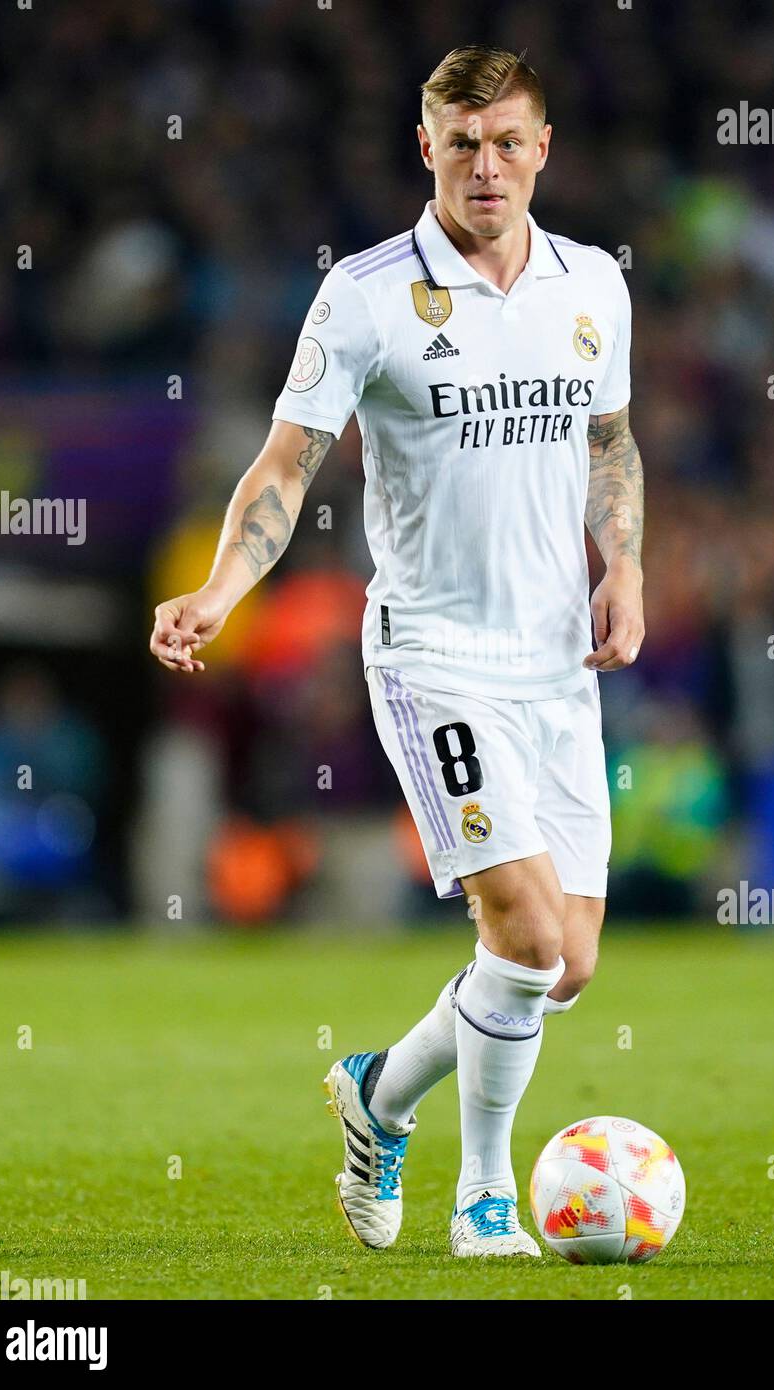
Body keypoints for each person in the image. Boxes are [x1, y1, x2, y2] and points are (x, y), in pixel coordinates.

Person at [149, 45, 644, 1257]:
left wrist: (624, 562)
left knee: (565, 961)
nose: (486, 165)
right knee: (518, 937)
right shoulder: (366, 297)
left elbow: (610, 443)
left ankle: (376, 1095)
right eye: (461, 142)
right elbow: (284, 467)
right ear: (426, 148)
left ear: (542, 149)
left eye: (508, 140)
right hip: (434, 657)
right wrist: (223, 586)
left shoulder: (591, 287)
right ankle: (484, 1196)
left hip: (552, 667)